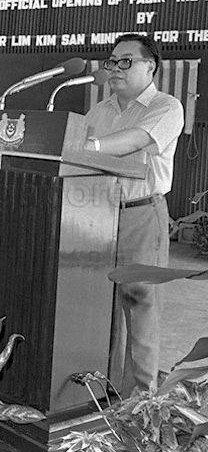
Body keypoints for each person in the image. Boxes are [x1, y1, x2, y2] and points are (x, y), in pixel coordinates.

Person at [84, 33, 184, 397]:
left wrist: (90, 146)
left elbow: (137, 140)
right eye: (111, 61)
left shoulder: (167, 106)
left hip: (141, 216)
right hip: (95, 217)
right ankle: (103, 392)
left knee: (139, 302)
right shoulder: (99, 111)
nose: (114, 68)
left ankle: (140, 402)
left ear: (150, 66)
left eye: (125, 61)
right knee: (100, 306)